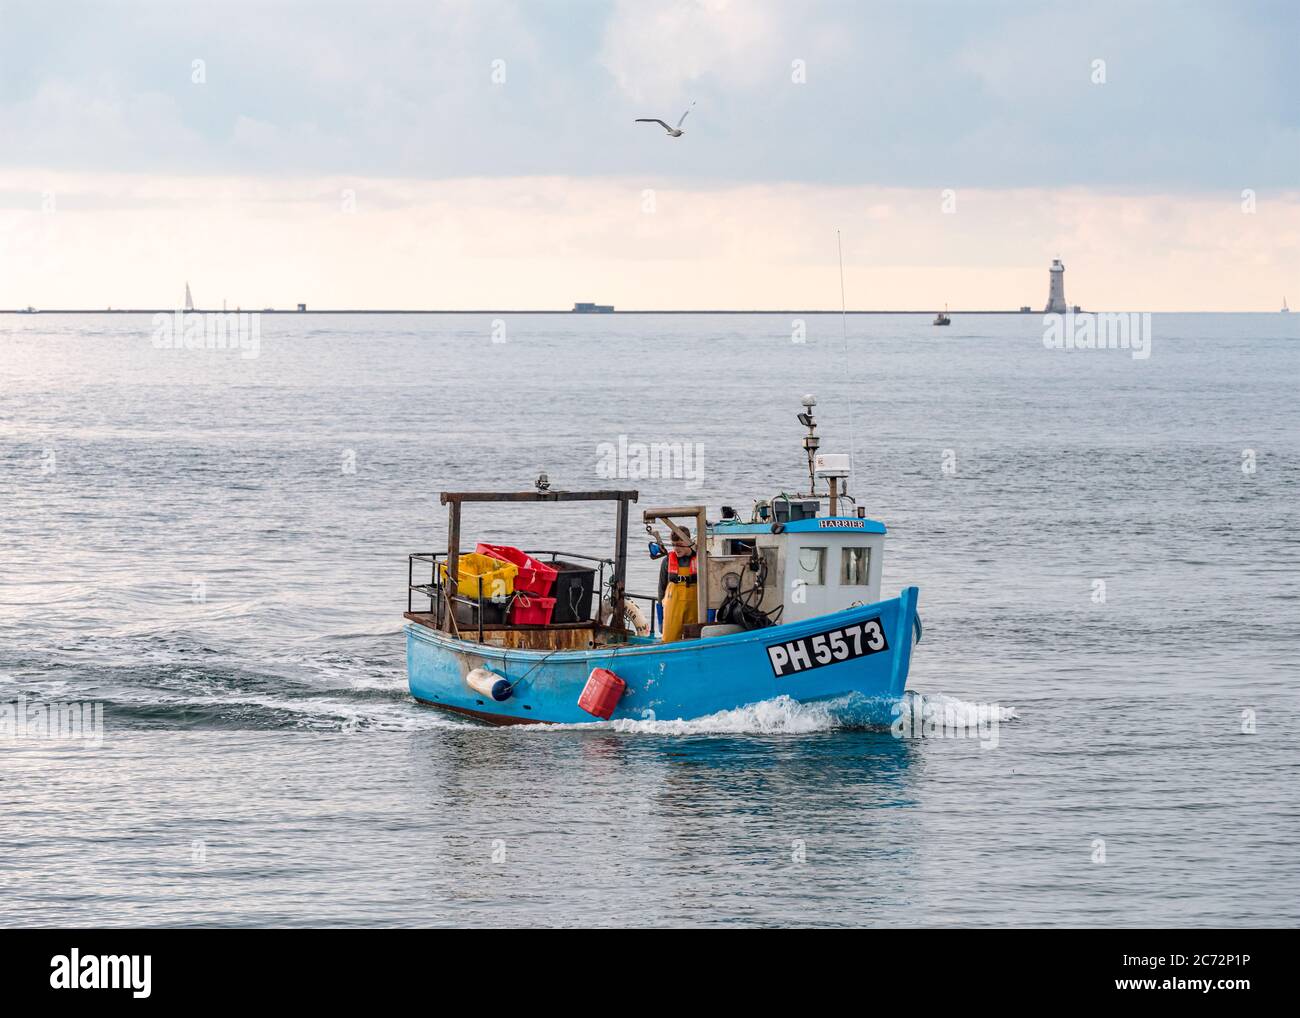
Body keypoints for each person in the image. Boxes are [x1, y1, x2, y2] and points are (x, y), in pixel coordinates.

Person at [658, 528, 699, 643]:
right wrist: (660, 616)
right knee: (668, 639)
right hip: (673, 605)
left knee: (694, 638)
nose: (676, 548)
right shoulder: (667, 561)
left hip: (694, 605)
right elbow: (661, 588)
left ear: (688, 542)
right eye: (674, 545)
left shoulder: (700, 559)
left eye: (680, 545)